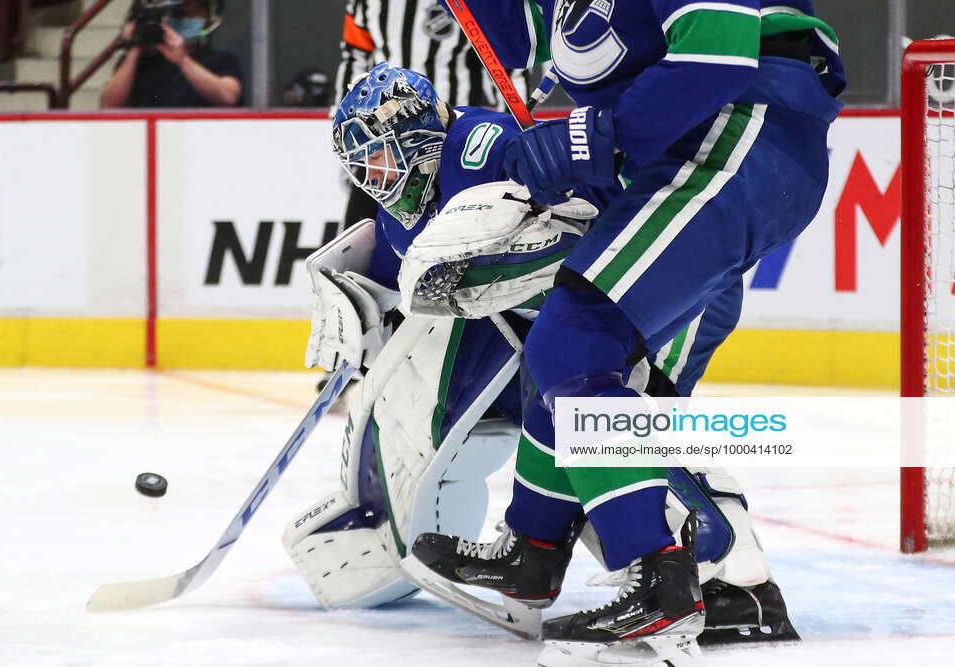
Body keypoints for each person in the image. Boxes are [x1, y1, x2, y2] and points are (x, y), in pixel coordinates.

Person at [285, 62, 798, 647]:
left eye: (381, 156)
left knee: (626, 423)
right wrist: (351, 310)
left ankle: (740, 588)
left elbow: (584, 233)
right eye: (361, 165)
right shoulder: (400, 213)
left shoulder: (484, 150)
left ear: (420, 134)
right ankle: (549, 555)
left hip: (671, 289)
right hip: (599, 309)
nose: (374, 176)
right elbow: (389, 282)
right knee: (562, 398)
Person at [407, 2, 845, 665]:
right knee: (567, 356)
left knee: (578, 347)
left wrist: (597, 139)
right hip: (696, 146)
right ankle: (536, 545)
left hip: (738, 127)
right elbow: (514, 35)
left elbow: (718, 51)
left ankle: (670, 581)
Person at [333, 0, 533, 229]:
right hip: (382, 146)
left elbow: (511, 66)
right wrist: (349, 139)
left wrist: (519, 129)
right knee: (362, 243)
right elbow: (355, 58)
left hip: (455, 140)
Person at [100, 0, 241, 109]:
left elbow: (228, 96)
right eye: (179, 14)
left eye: (193, 13)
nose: (185, 18)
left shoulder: (220, 60)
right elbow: (109, 104)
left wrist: (182, 60)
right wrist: (134, 48)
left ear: (208, 19)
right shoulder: (140, 62)